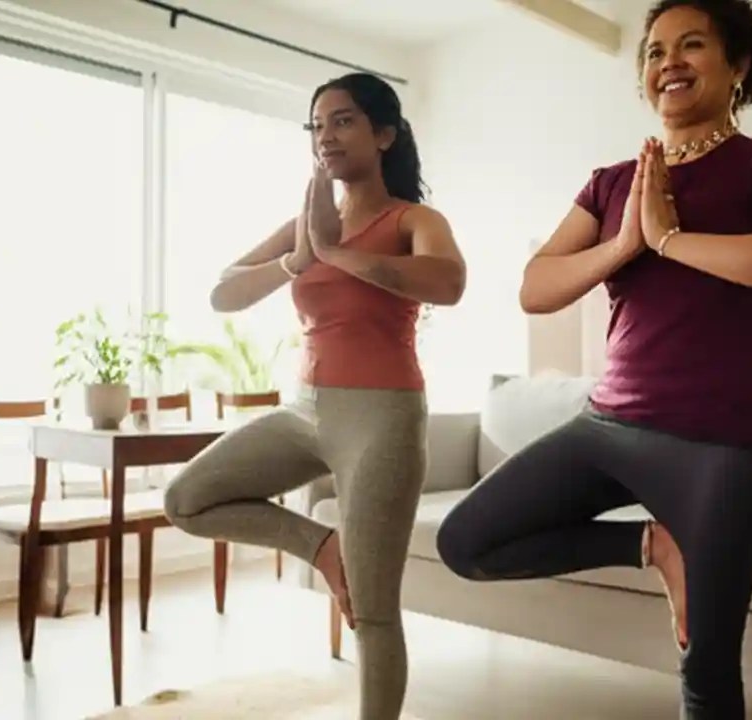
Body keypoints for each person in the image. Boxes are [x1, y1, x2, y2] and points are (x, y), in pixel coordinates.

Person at [435, 1, 752, 717]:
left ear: (739, 65)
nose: (668, 62)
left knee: (707, 672)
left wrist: (670, 239)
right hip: (609, 427)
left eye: (692, 45)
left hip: (725, 445)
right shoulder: (612, 182)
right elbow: (536, 287)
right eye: (654, 51)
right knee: (466, 541)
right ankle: (655, 546)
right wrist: (625, 244)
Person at [163, 72, 466, 720]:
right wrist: (298, 260)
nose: (325, 136)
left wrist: (336, 252)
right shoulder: (304, 224)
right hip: (305, 411)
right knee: (184, 499)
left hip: (381, 417)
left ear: (384, 135)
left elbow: (448, 282)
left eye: (343, 120)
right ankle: (321, 547)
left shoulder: (412, 219)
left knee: (372, 611)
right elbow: (223, 292)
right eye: (316, 125)